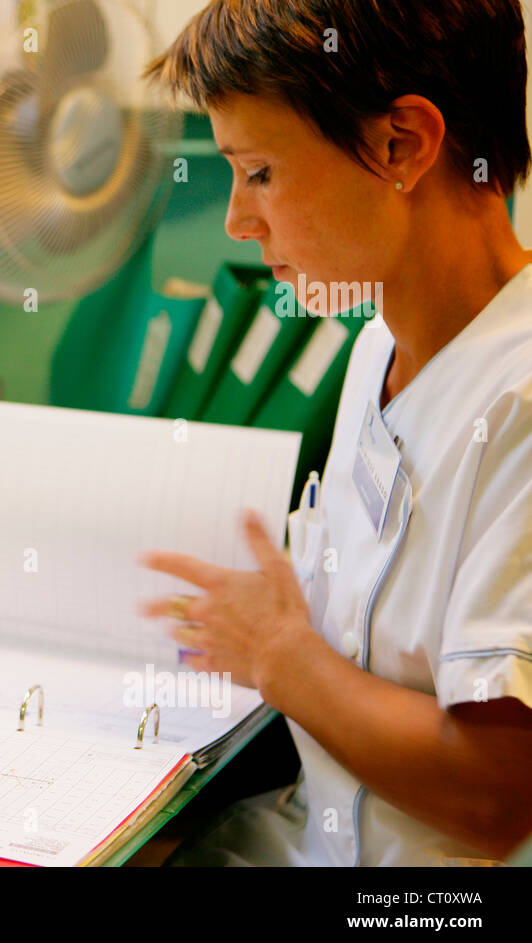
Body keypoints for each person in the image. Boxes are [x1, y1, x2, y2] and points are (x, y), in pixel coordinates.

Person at [136, 0, 532, 864]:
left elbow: (497, 796)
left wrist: (282, 656)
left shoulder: (521, 402)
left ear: (403, 146)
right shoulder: (375, 350)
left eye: (262, 173)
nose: (240, 221)